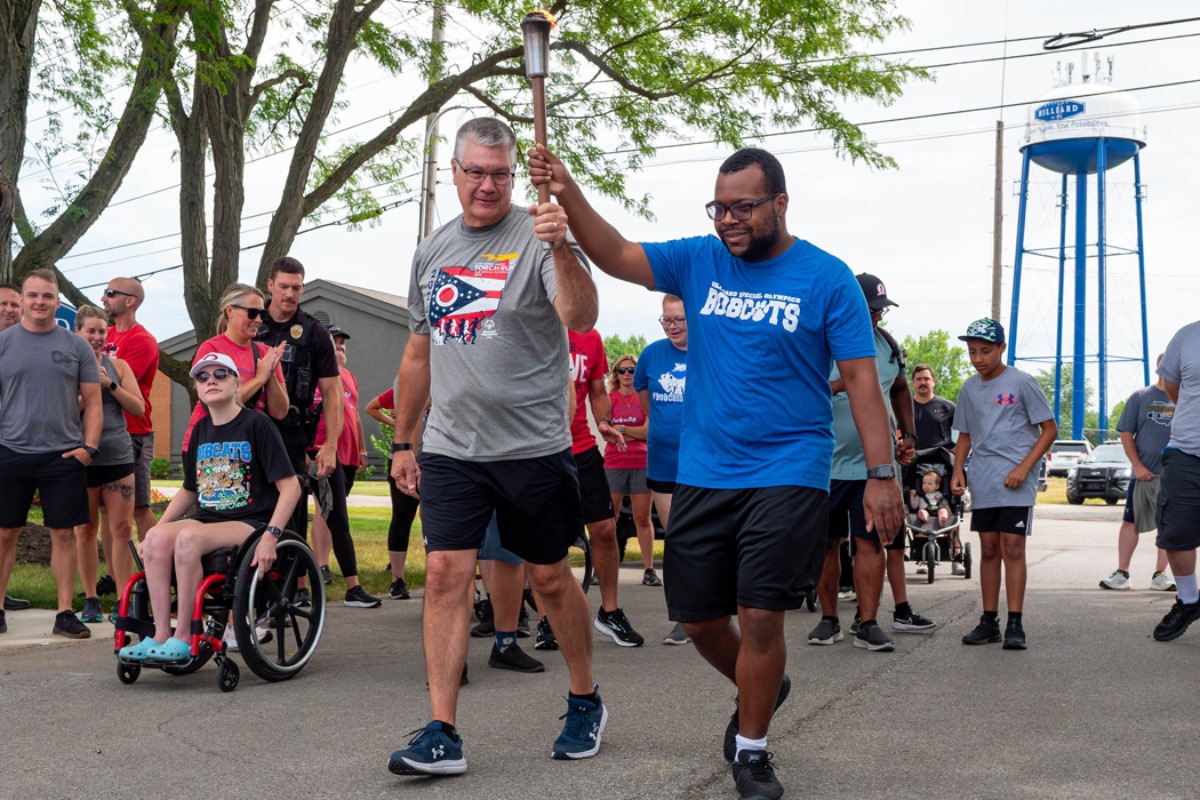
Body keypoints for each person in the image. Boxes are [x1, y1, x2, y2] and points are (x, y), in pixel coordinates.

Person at [532, 145, 903, 800]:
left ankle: (752, 749)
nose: (728, 220)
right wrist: (567, 192)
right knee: (699, 616)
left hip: (790, 467)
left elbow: (862, 384)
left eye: (743, 207)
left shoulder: (826, 278)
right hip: (705, 470)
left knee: (760, 616)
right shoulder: (698, 260)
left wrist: (880, 473)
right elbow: (616, 253)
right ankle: (761, 683)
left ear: (779, 204)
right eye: (719, 207)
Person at [386, 117, 606, 777]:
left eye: (500, 173)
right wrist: (403, 437)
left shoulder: (540, 236)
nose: (487, 184)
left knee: (548, 578)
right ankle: (442, 730)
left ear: (515, 175)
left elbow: (581, 316)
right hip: (453, 448)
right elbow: (419, 352)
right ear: (452, 173)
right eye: (476, 171)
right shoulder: (432, 251)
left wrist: (563, 246)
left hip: (532, 446)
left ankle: (585, 696)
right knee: (448, 576)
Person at [116, 352, 300, 662]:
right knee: (158, 538)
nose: (211, 380)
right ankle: (162, 635)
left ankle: (186, 635)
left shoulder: (258, 425)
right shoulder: (201, 430)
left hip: (249, 521)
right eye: (203, 377)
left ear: (236, 383)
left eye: (220, 374)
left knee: (188, 539)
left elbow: (291, 487)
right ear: (197, 389)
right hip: (207, 518)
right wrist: (159, 528)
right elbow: (190, 490)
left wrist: (271, 535)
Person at [809, 273, 934, 653]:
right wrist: (843, 384)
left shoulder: (886, 345)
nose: (877, 318)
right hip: (823, 464)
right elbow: (800, 389)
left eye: (880, 311)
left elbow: (898, 387)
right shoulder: (820, 343)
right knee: (825, 544)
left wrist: (907, 436)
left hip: (872, 467)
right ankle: (829, 619)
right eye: (870, 311)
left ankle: (867, 623)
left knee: (870, 543)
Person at [257, 258, 381, 609]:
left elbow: (332, 393)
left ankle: (300, 590)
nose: (290, 294)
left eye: (297, 287)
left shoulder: (313, 332)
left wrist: (328, 446)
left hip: (298, 433)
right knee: (258, 512)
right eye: (284, 286)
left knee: (305, 513)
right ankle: (265, 588)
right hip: (255, 432)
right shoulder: (255, 324)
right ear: (270, 285)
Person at [0, 270, 103, 638]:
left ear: (57, 303)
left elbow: (93, 401)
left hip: (63, 455)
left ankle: (64, 613)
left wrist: (89, 448)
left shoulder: (76, 346)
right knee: (5, 533)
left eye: (47, 296)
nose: (39, 302)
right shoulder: (4, 343)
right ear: (23, 300)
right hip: (10, 451)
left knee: (63, 534)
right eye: (33, 295)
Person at [951, 318, 1056, 650]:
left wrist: (1025, 468)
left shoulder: (1023, 383)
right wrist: (958, 471)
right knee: (989, 549)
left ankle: (1015, 623)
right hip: (983, 479)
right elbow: (965, 435)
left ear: (1001, 349)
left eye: (985, 351)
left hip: (1016, 481)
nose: (978, 358)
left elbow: (1049, 430)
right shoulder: (968, 388)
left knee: (1013, 547)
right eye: (972, 352)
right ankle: (989, 621)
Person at [569, 327, 645, 646]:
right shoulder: (527, 321)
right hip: (539, 449)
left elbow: (598, 392)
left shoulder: (590, 337)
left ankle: (609, 612)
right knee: (549, 537)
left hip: (583, 447)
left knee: (603, 529)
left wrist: (603, 423)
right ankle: (546, 619)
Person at [73, 305, 145, 623]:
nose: (97, 337)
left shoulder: (119, 366)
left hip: (118, 455)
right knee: (86, 529)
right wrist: (84, 391)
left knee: (121, 529)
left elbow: (139, 408)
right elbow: (62, 412)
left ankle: (122, 599)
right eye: (91, 331)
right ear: (77, 333)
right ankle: (90, 598)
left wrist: (108, 385)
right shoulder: (67, 369)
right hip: (83, 456)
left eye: (102, 331)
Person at [634, 294, 689, 645]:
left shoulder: (710, 350)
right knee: (679, 540)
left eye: (679, 320)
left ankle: (720, 607)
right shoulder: (652, 355)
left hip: (707, 463)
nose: (672, 326)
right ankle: (683, 617)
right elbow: (645, 396)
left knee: (714, 538)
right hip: (664, 462)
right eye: (666, 320)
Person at [1099, 363, 1176, 591]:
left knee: (1168, 525)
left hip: (1174, 476)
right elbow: (1126, 433)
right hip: (1143, 475)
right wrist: (1137, 465)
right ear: (1160, 369)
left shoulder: (1188, 398)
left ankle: (1160, 575)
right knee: (1130, 523)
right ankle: (1122, 573)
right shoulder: (1140, 396)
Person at [1149, 325, 1200, 641]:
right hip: (1187, 452)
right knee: (1175, 533)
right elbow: (1169, 384)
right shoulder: (1187, 336)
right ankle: (1189, 600)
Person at [101, 277, 159, 550]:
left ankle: (156, 569)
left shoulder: (142, 340)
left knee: (138, 507)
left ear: (130, 300)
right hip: (104, 432)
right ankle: (112, 578)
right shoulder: (107, 335)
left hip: (133, 434)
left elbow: (119, 382)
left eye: (110, 293)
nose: (104, 298)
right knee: (106, 510)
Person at [309, 325, 369, 585]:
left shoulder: (350, 377)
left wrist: (363, 449)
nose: (340, 346)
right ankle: (322, 565)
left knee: (336, 509)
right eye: (335, 342)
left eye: (343, 342)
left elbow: (354, 414)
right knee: (326, 508)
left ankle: (331, 563)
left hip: (349, 454)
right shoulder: (317, 375)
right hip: (324, 450)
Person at [364, 385, 421, 600]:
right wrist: (396, 422)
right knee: (402, 517)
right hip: (403, 458)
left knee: (437, 521)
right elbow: (371, 407)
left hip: (436, 457)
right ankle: (398, 580)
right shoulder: (403, 386)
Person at [605, 354, 656, 584]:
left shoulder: (643, 397)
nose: (627, 374)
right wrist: (630, 429)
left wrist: (621, 428)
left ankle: (649, 570)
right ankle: (605, 568)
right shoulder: (609, 399)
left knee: (642, 518)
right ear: (616, 374)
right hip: (614, 463)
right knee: (609, 518)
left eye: (631, 370)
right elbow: (606, 428)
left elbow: (647, 432)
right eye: (622, 370)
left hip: (641, 463)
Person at [910, 363, 965, 575]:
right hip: (915, 465)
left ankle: (957, 556)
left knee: (953, 506)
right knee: (915, 508)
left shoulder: (947, 407)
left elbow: (964, 435)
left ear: (933, 381)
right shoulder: (905, 407)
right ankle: (922, 557)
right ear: (913, 383)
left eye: (926, 379)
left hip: (943, 464)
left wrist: (958, 458)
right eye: (918, 379)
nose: (923, 383)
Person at [0, 281, 32, 613]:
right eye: (2, 304)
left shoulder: (22, 346)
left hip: (12, 450)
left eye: (14, 304)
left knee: (7, 528)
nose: (9, 309)